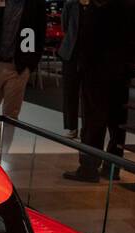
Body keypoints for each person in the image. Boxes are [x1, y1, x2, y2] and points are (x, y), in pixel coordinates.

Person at [62, 0, 135, 181]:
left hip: (97, 68)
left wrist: (84, 63)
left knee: (93, 120)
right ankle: (112, 167)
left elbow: (90, 35)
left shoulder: (100, 8)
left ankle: (88, 168)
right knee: (117, 122)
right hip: (122, 69)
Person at [0, 0, 49, 158]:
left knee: (11, 113)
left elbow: (39, 34)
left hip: (19, 67)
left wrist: (30, 64)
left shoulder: (35, 4)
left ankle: (2, 151)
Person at [57, 0, 83, 138]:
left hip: (86, 54)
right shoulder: (71, 3)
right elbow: (65, 27)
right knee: (69, 93)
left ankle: (85, 129)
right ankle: (72, 127)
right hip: (70, 53)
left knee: (87, 95)